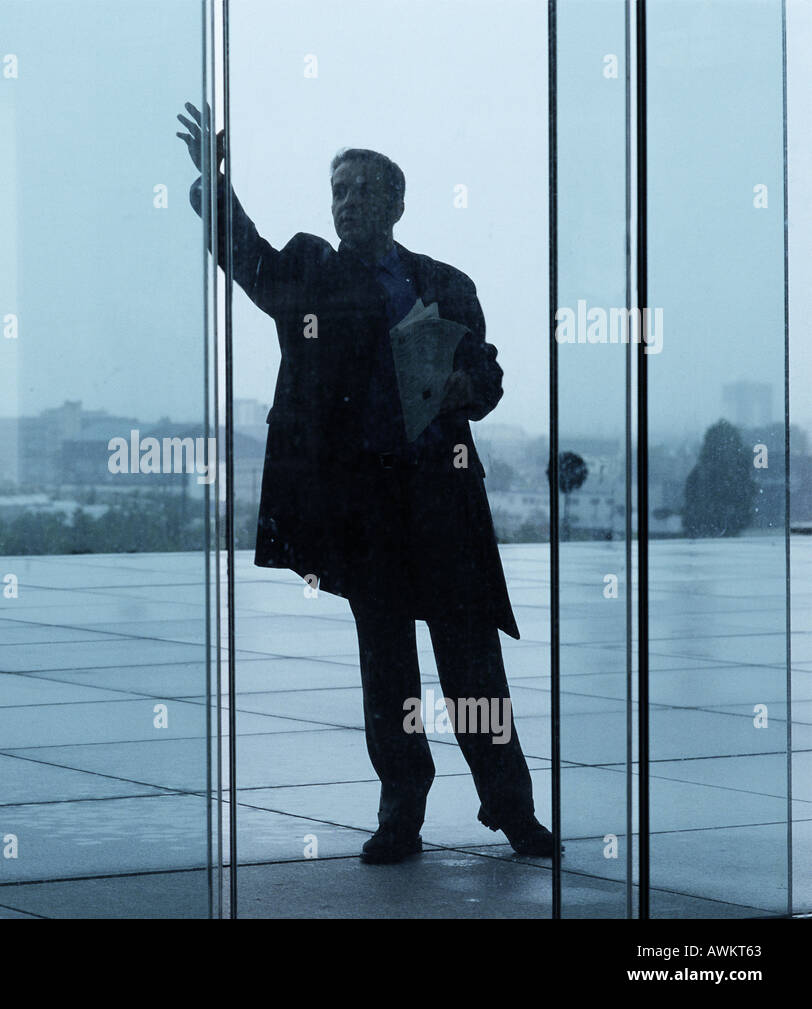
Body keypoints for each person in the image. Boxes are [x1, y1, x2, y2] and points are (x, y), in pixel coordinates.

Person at [177, 103, 555, 864]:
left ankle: (512, 810)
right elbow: (245, 253)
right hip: (368, 512)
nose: (347, 201)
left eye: (361, 190)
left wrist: (458, 386)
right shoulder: (311, 273)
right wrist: (213, 184)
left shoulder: (447, 283)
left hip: (443, 505)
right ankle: (401, 813)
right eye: (338, 190)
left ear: (396, 203)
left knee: (473, 665)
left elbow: (488, 377)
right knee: (389, 671)